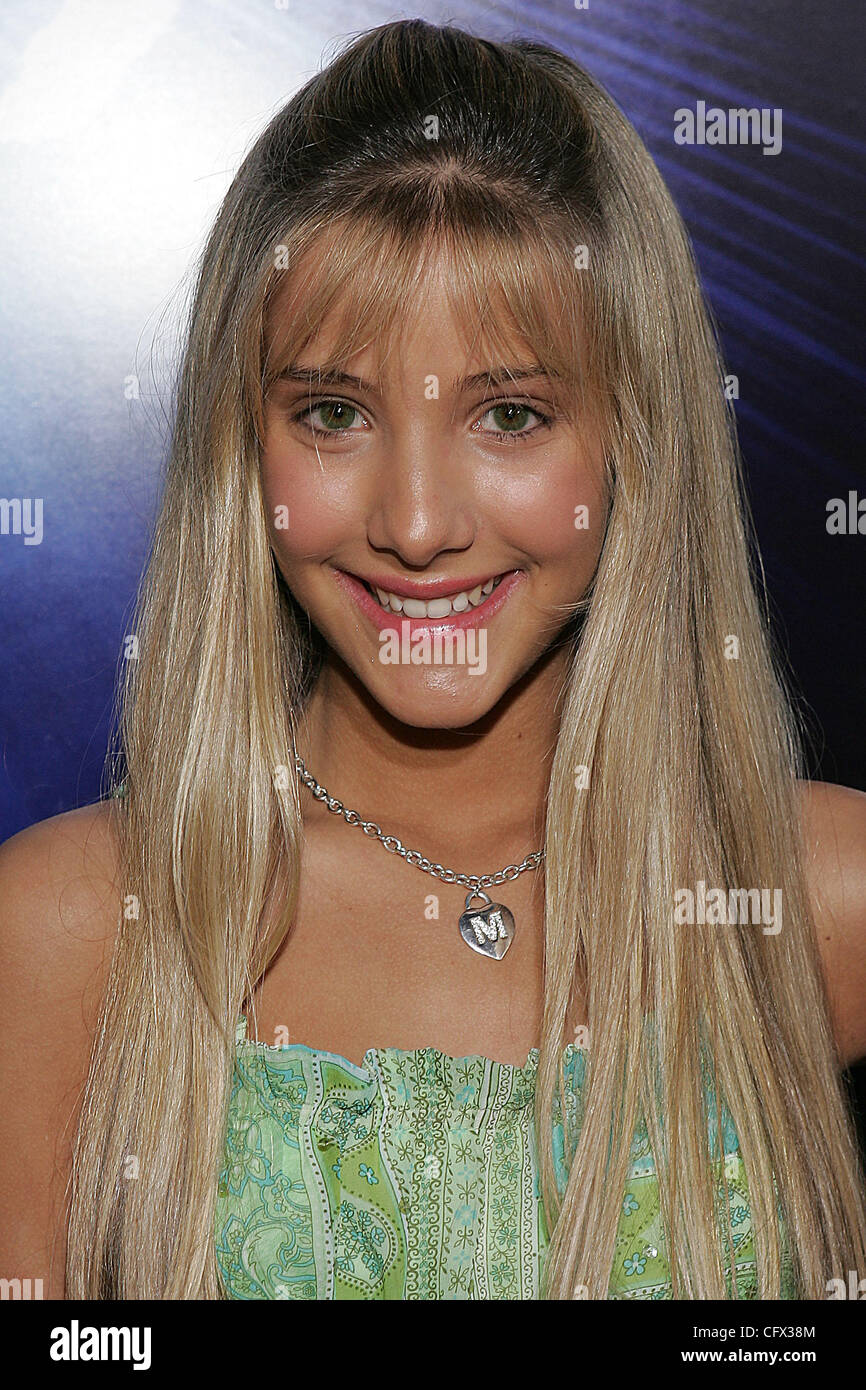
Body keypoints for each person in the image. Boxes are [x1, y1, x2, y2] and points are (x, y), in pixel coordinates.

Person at [2, 18, 866, 1302]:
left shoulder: (821, 899)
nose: (414, 524)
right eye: (333, 413)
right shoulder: (73, 930)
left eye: (508, 414)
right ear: (246, 450)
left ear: (636, 436)